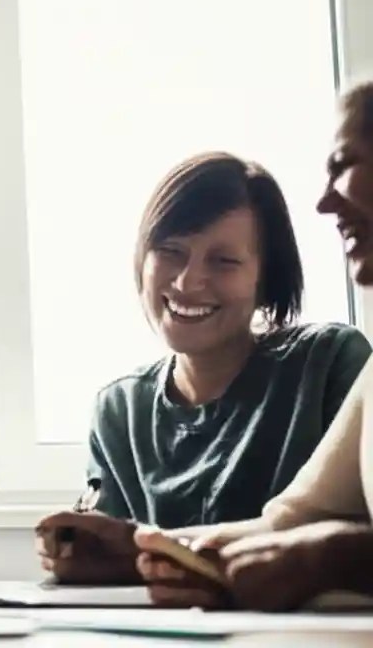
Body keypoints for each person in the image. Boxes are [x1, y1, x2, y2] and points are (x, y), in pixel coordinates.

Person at [35, 151, 370, 584]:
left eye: (223, 261)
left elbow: (348, 540)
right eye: (170, 252)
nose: (187, 282)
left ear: (266, 278)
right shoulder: (118, 409)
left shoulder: (329, 364)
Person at [132, 80, 373, 611]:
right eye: (171, 251)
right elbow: (287, 522)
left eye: (343, 164)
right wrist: (135, 548)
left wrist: (329, 556)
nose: (325, 201)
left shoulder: (333, 360)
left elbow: (318, 541)